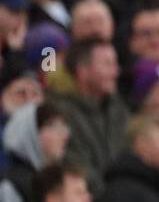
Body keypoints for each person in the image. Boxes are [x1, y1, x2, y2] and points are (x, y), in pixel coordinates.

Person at [48, 39, 129, 191]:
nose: (116, 72)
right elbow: (75, 165)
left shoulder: (119, 109)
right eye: (107, 64)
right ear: (82, 71)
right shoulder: (60, 113)